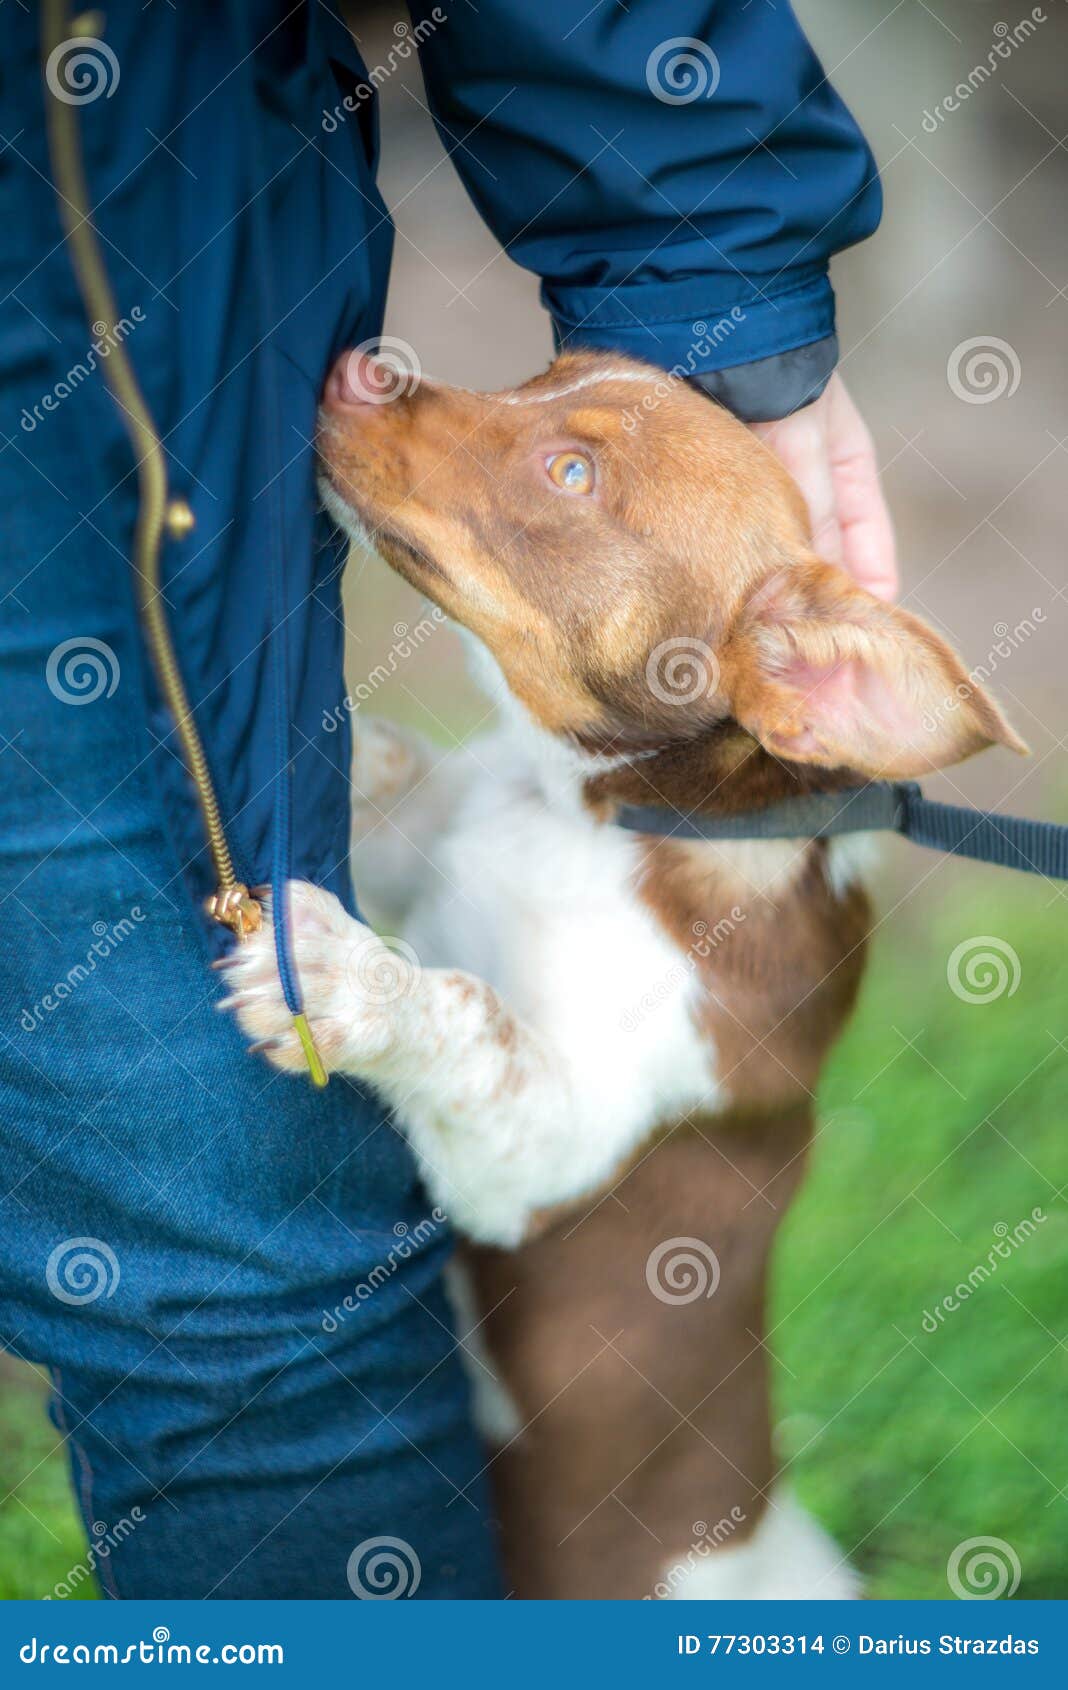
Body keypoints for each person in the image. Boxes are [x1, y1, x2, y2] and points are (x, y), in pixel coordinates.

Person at [0, 1, 892, 1598]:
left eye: (568, 476)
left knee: (223, 1281)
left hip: (645, 1592)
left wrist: (404, 1011)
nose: (424, 393)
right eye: (557, 417)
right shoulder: (588, 802)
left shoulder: (734, 981)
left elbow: (530, 1158)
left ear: (790, 691)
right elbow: (419, 847)